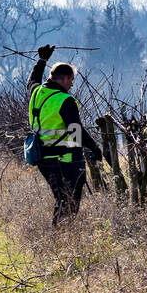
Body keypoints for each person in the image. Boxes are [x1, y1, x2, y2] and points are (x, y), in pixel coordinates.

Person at [27, 45, 101, 223]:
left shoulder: (38, 93)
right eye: (72, 80)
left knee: (61, 198)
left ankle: (58, 238)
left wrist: (42, 60)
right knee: (70, 200)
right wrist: (95, 148)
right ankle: (60, 236)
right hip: (65, 159)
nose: (72, 84)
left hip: (42, 157)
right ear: (65, 78)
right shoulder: (65, 100)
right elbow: (75, 131)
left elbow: (32, 81)